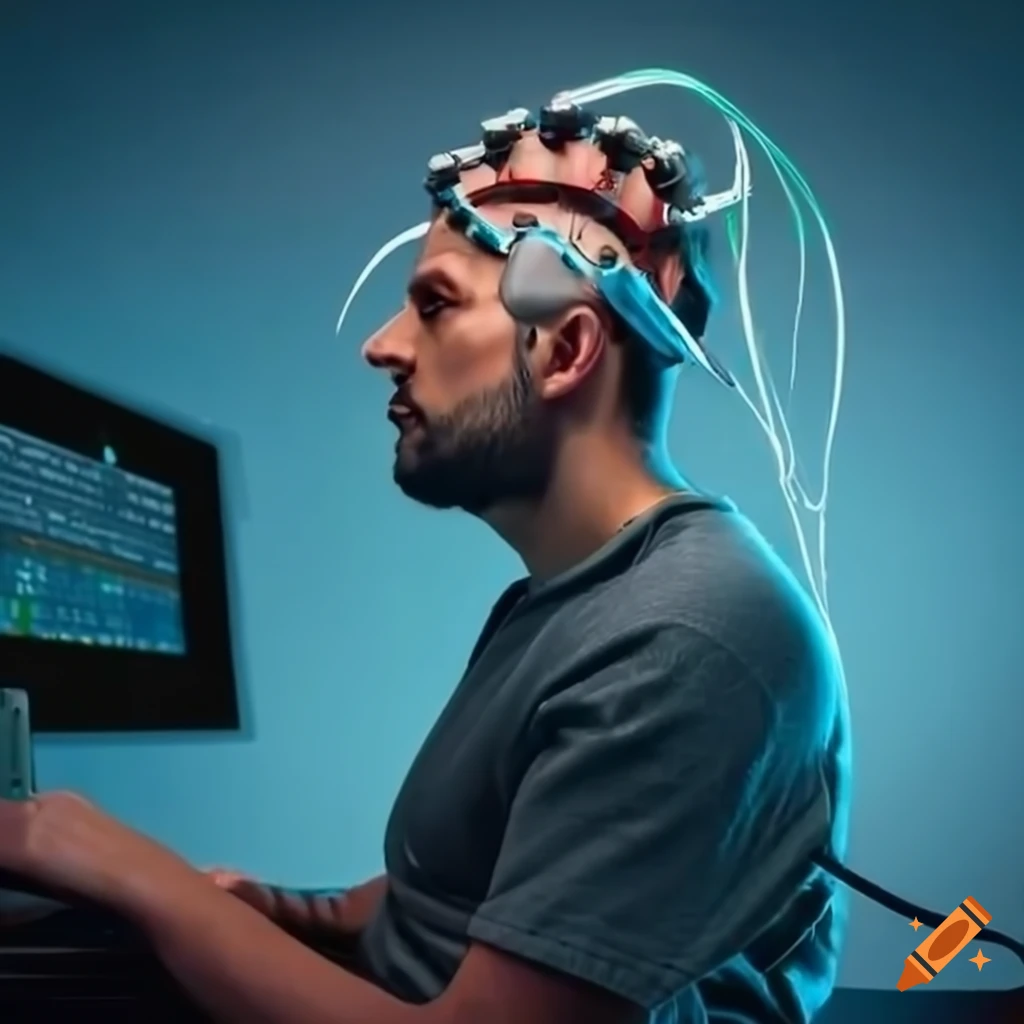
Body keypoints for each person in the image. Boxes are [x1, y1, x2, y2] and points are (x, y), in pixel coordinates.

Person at [0, 105, 851, 1024]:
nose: (383, 346)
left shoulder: (684, 634)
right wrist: (288, 913)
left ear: (565, 349)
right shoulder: (572, 599)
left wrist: (128, 870)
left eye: (435, 304)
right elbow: (464, 884)